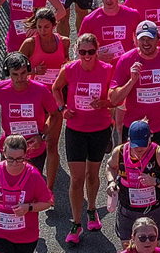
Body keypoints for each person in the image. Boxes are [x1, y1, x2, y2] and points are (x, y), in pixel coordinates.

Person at [51, 32, 113, 240]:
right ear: (77, 51)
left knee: (92, 175)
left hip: (100, 129)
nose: (87, 56)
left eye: (91, 52)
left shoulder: (107, 70)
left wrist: (104, 103)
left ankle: (92, 209)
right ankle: (76, 223)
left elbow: (114, 97)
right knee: (76, 179)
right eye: (82, 52)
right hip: (76, 130)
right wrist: (62, 108)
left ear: (97, 51)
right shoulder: (69, 69)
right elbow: (56, 88)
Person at [109, 21, 160, 155]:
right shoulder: (126, 60)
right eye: (142, 39)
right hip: (135, 128)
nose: (146, 43)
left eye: (150, 38)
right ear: (136, 40)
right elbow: (113, 99)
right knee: (134, 173)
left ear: (158, 38)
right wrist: (132, 81)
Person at [105, 120, 160, 243]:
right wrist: (111, 182)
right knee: (127, 246)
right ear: (129, 140)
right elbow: (110, 166)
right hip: (127, 210)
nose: (139, 148)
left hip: (153, 210)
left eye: (143, 144)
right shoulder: (119, 152)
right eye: (136, 144)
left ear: (150, 140)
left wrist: (155, 181)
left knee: (153, 246)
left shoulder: (159, 154)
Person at [18, 8, 69, 189]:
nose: (42, 31)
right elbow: (13, 70)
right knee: (33, 142)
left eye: (46, 27)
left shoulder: (64, 42)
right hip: (35, 98)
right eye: (39, 27)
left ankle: (48, 189)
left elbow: (66, 64)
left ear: (54, 26)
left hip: (55, 97)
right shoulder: (30, 44)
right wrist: (32, 71)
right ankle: (26, 181)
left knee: (52, 144)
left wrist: (66, 67)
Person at [0, 53, 57, 177]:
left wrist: (43, 135)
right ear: (8, 74)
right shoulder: (0, 89)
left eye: (23, 73)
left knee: (31, 189)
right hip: (9, 147)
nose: (20, 78)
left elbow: (55, 115)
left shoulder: (41, 90)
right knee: (8, 184)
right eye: (15, 74)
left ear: (28, 71)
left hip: (34, 147)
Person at [0, 135, 54, 252]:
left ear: (26, 154)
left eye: (19, 159)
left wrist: (28, 207)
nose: (14, 163)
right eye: (10, 158)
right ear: (4, 153)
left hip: (26, 235)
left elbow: (47, 202)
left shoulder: (33, 175)